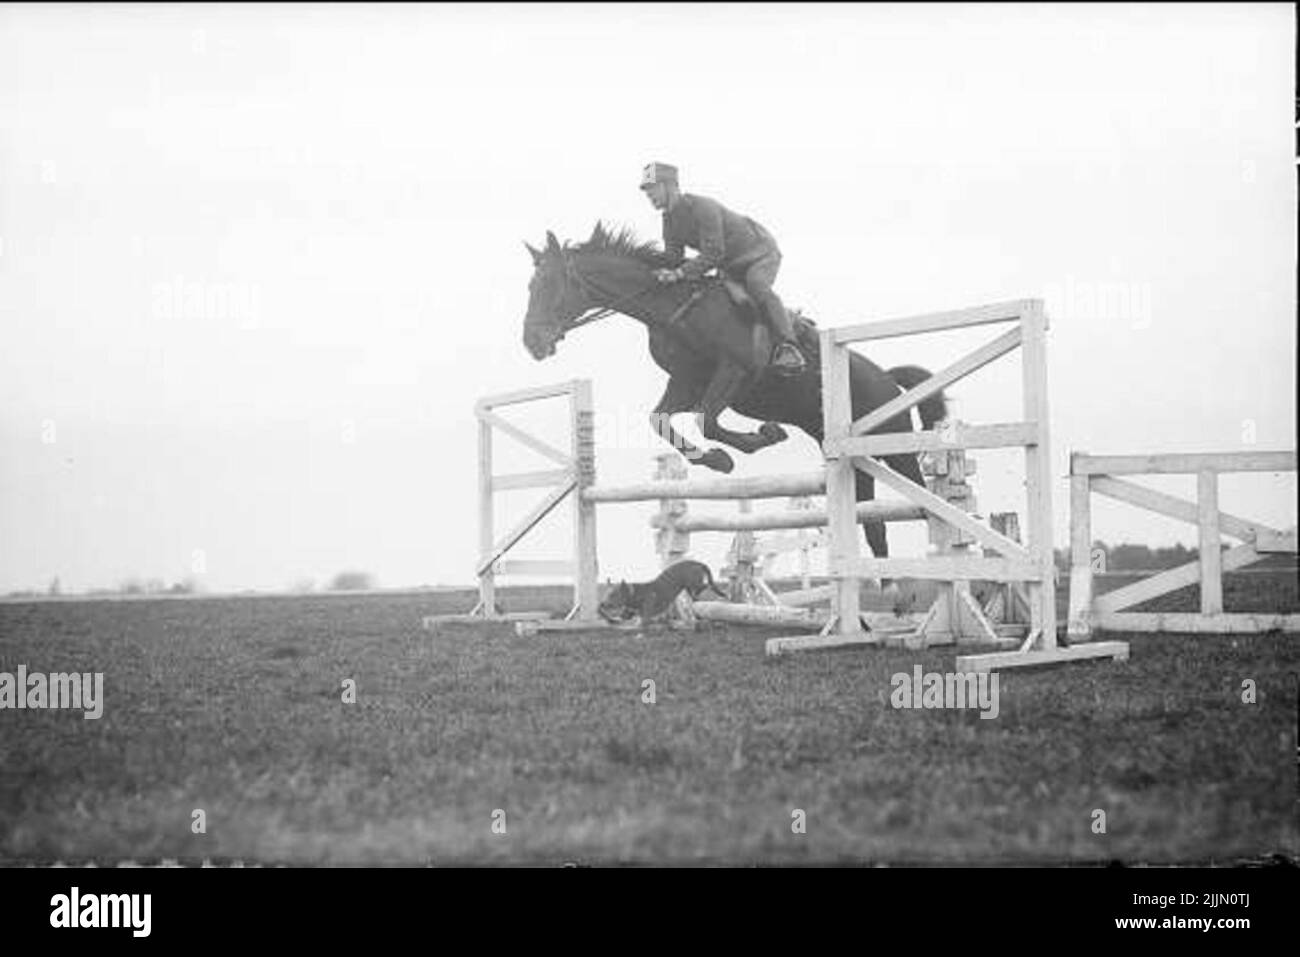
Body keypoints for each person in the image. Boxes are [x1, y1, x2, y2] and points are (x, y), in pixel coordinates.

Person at [639, 162, 806, 376]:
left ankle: (789, 346)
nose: (649, 195)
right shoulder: (669, 220)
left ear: (670, 186)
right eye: (647, 191)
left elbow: (713, 253)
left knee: (756, 284)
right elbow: (674, 259)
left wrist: (679, 273)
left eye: (653, 188)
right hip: (730, 264)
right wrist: (651, 271)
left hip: (759, 253)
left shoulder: (703, 207)